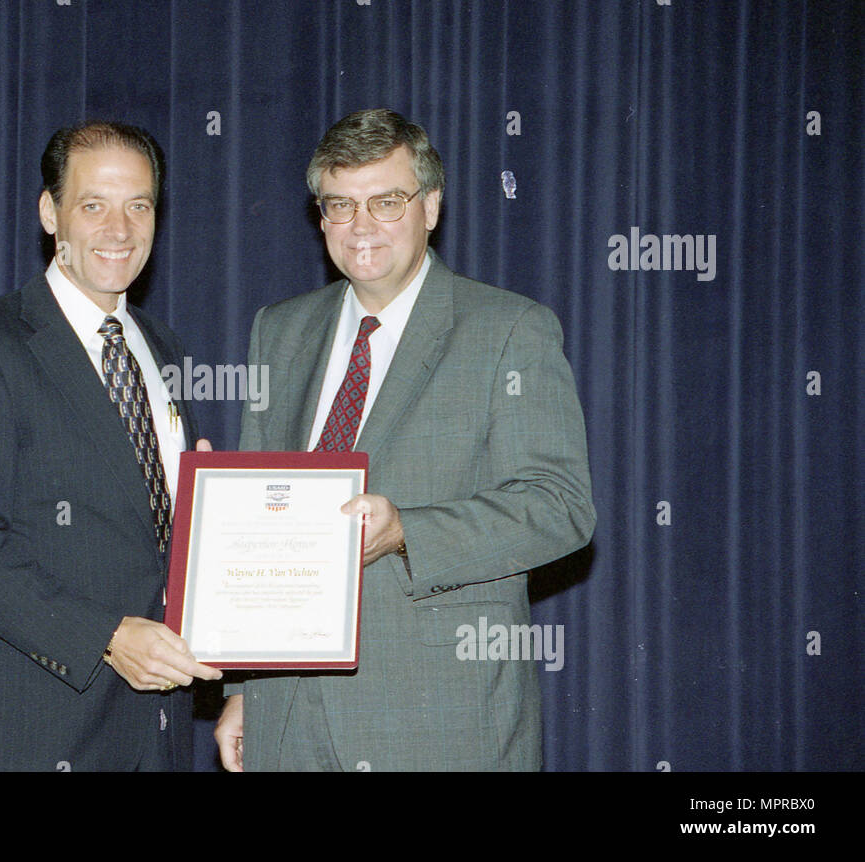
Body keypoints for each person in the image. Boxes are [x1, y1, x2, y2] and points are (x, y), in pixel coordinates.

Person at [215, 108, 595, 771]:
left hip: (437, 724)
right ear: (321, 217)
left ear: (431, 207)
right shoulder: (277, 331)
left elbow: (559, 508)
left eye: (386, 201)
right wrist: (244, 689)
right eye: (340, 204)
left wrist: (406, 532)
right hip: (287, 725)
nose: (361, 225)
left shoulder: (509, 329)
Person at [0, 121, 220, 771]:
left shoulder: (160, 349)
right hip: (34, 730)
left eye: (139, 205)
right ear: (51, 213)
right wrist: (105, 638)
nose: (120, 228)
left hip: (155, 733)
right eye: (93, 205)